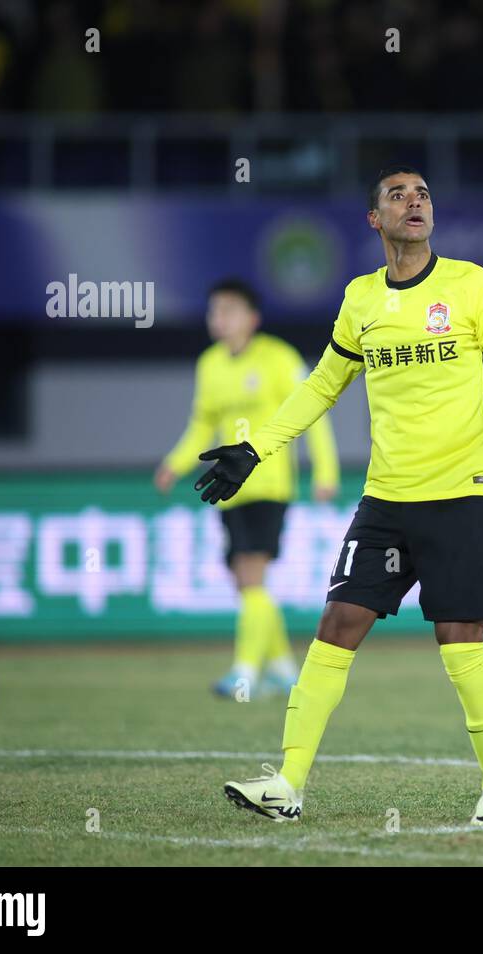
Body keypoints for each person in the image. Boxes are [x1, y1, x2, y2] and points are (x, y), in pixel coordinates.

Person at [201, 166, 483, 826]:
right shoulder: (361, 298)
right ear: (375, 219)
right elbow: (322, 385)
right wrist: (255, 449)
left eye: (423, 193)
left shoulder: (471, 285)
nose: (414, 202)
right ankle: (286, 783)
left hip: (465, 493)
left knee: (458, 639)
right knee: (337, 624)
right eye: (398, 195)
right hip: (387, 499)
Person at [156, 278, 339, 698]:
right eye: (214, 311)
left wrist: (325, 473)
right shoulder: (209, 364)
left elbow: (314, 414)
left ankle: (244, 673)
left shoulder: (279, 358)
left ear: (252, 318)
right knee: (246, 582)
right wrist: (174, 464)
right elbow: (202, 424)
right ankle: (283, 669)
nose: (219, 319)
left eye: (228, 310)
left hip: (268, 484)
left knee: (251, 575)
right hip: (228, 486)